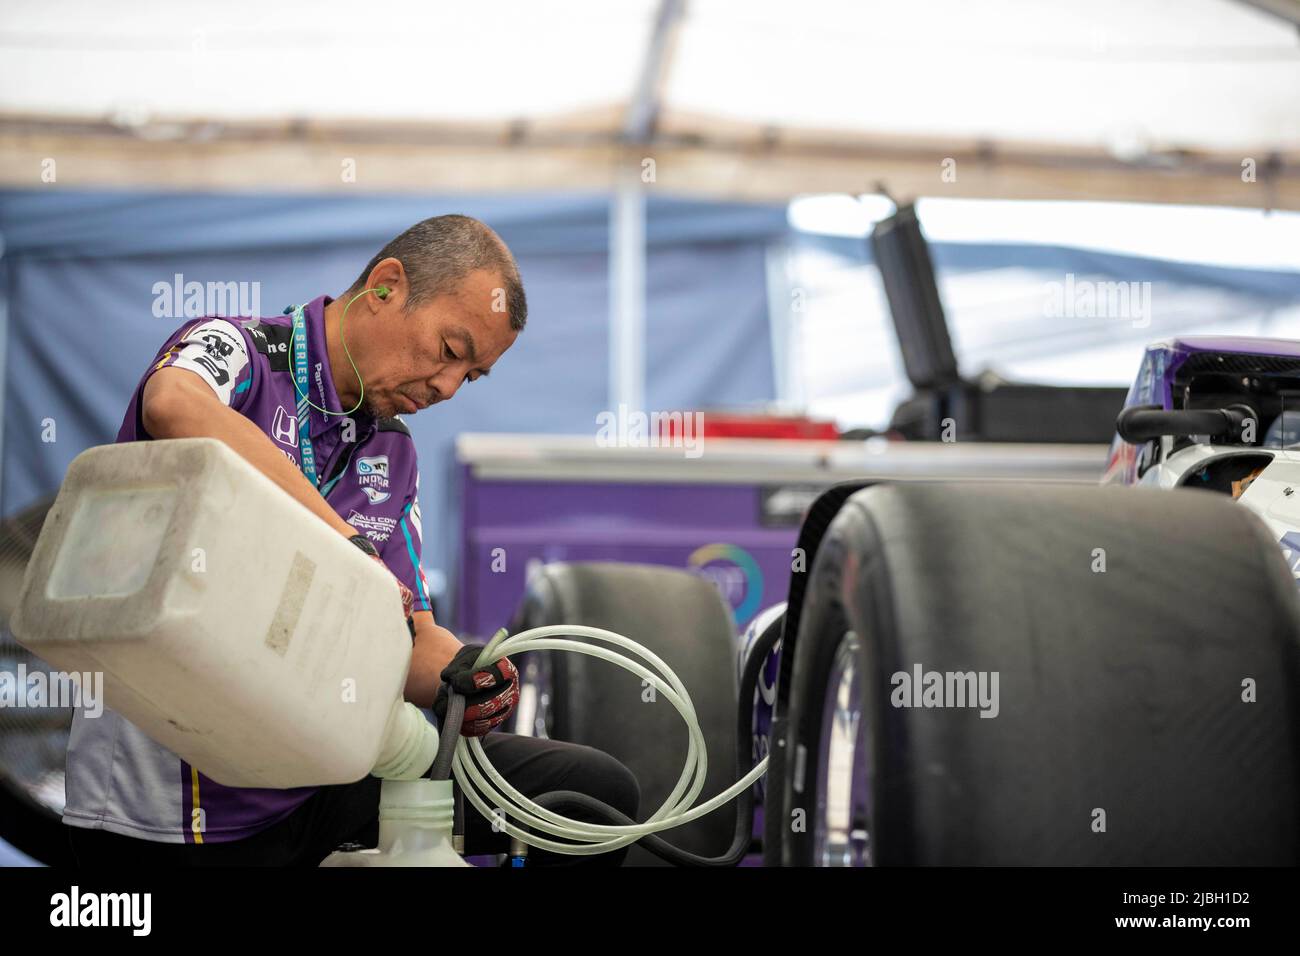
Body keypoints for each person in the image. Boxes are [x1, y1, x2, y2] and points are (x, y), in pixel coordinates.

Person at [63, 214, 639, 866]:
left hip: (320, 774)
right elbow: (172, 404)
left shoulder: (392, 450)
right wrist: (340, 543)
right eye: (450, 352)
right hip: (176, 800)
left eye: (470, 377)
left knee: (593, 797)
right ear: (387, 286)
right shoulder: (242, 349)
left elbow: (411, 635)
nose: (448, 389)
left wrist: (468, 677)